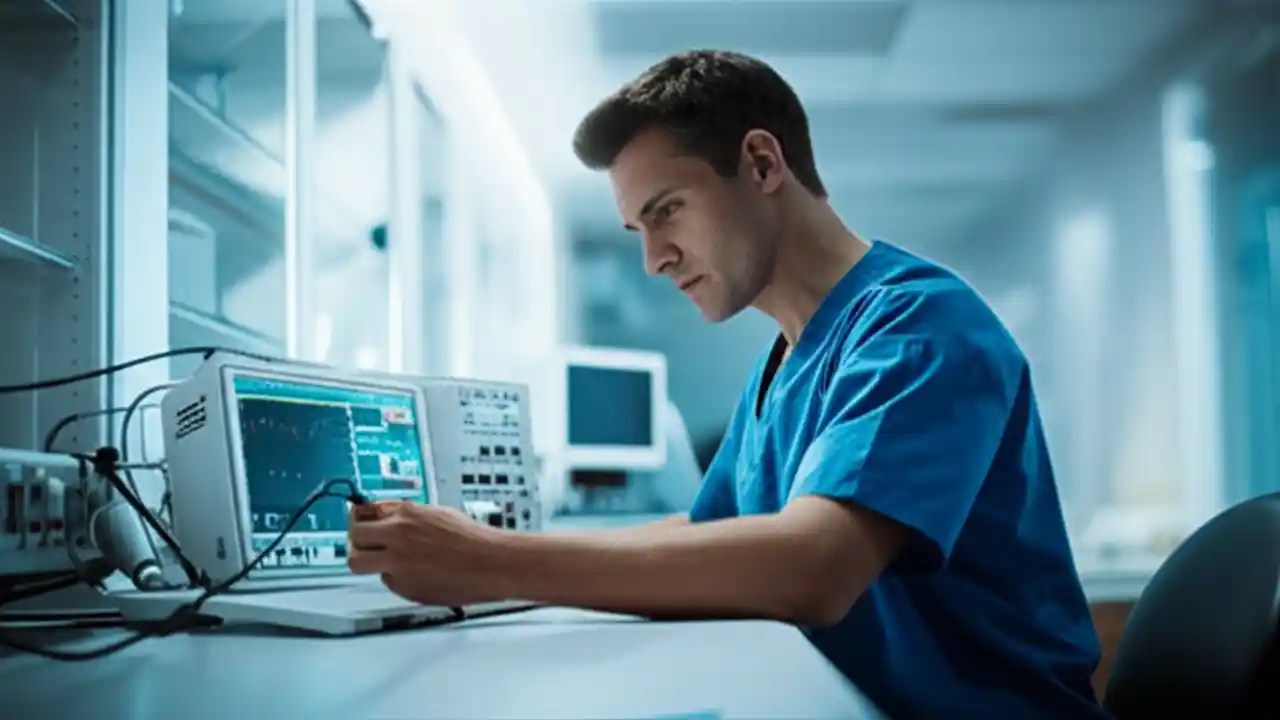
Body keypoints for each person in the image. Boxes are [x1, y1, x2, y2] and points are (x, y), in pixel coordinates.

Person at [347, 50, 1105, 719]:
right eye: (637, 231)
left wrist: (490, 562)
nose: (655, 260)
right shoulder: (786, 358)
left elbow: (814, 568)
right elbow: (712, 533)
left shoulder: (919, 324)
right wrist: (496, 559)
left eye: (667, 212)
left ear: (763, 165)